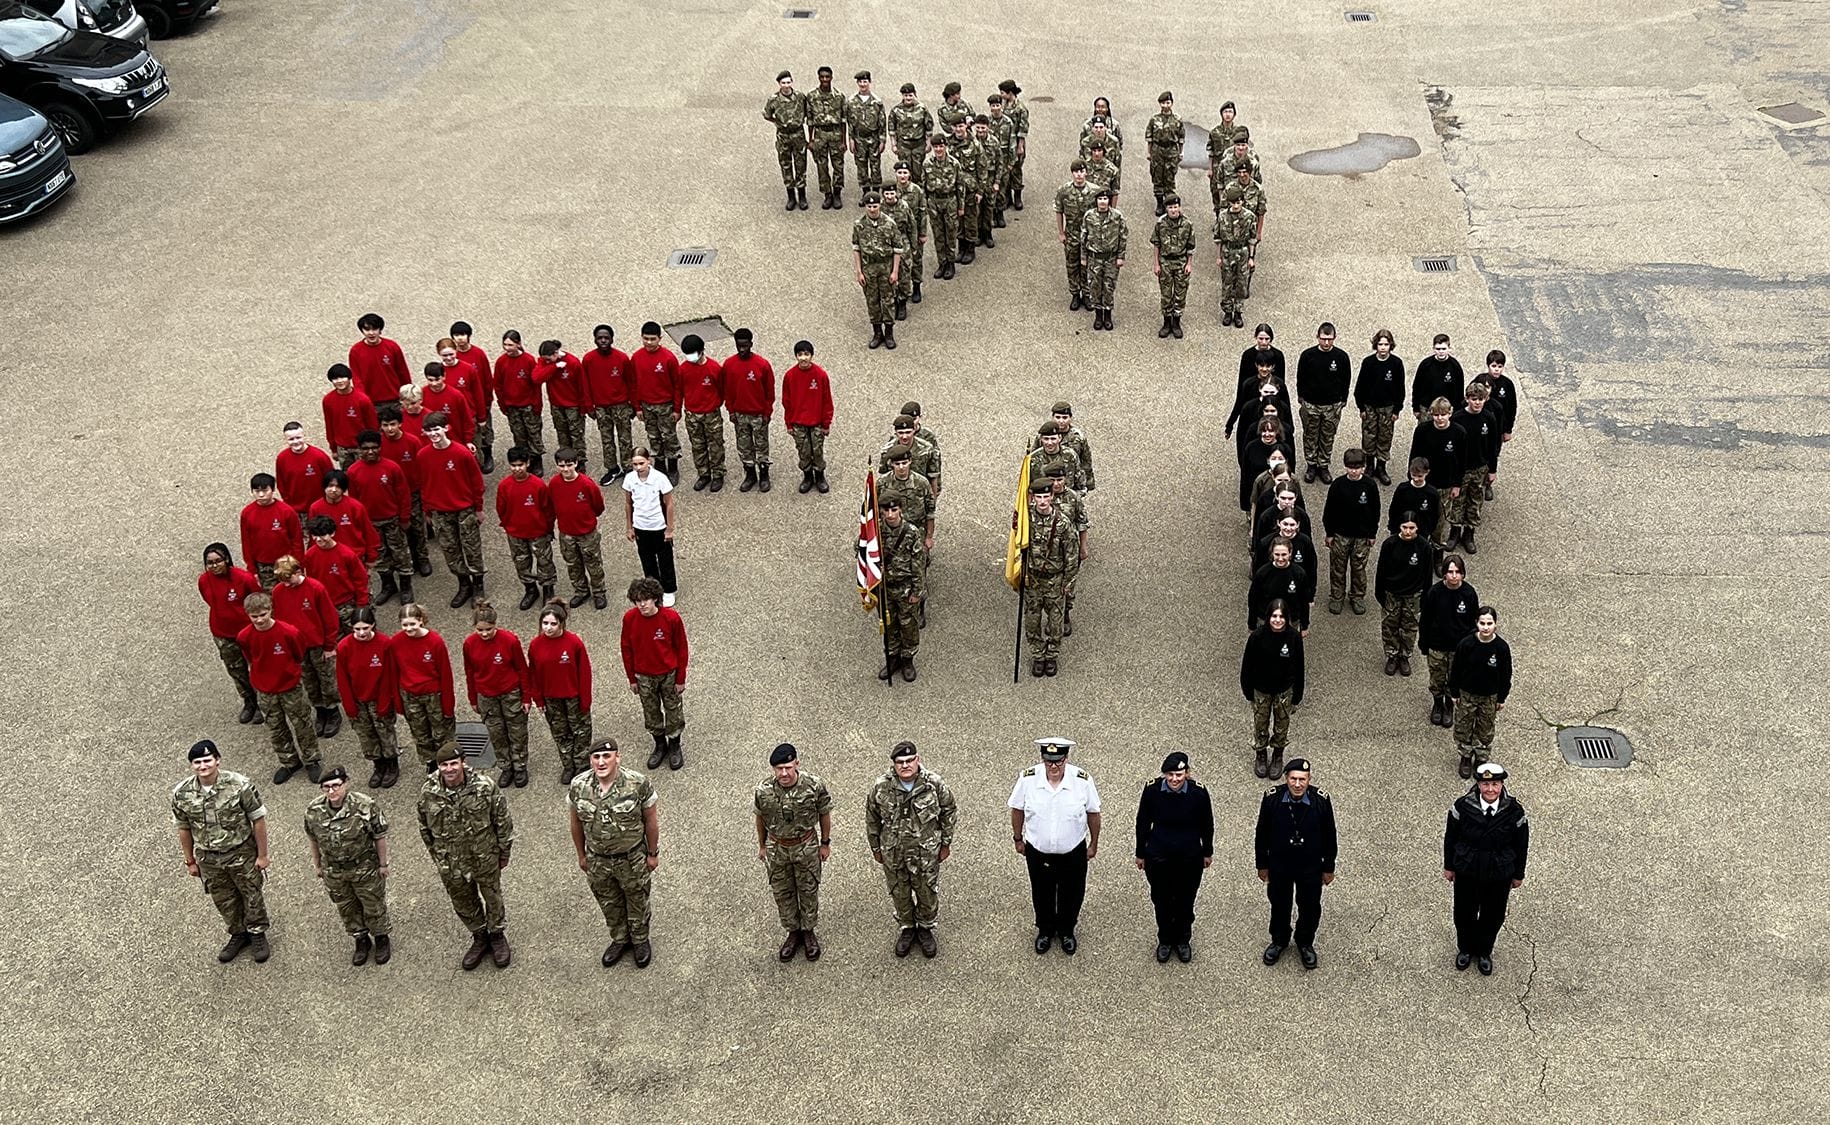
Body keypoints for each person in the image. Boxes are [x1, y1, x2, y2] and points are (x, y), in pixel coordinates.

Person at [418, 742, 516, 971]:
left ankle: (497, 935)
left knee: (492, 897)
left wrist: (504, 852)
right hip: (450, 861)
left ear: (464, 762)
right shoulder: (429, 792)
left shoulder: (484, 786)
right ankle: (479, 936)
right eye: (444, 765)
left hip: (484, 855)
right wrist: (438, 858)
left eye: (454, 763)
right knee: (463, 901)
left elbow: (502, 820)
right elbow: (425, 828)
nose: (449, 769)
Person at [172, 740, 271, 964]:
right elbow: (184, 828)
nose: (203, 765)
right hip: (209, 857)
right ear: (191, 766)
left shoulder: (240, 785)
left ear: (217, 760)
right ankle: (238, 932)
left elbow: (258, 819)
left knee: (251, 892)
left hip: (240, 851)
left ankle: (257, 932)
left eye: (207, 760)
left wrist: (263, 855)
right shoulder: (182, 793)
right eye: (197, 762)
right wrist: (190, 861)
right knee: (223, 898)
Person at [569, 738, 661, 968]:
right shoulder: (579, 786)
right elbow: (575, 823)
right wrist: (581, 855)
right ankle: (620, 939)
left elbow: (651, 821)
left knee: (637, 899)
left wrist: (652, 853)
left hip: (631, 858)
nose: (601, 762)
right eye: (596, 757)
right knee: (609, 902)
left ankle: (640, 940)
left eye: (606, 756)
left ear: (617, 757)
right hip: (598, 860)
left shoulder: (637, 783)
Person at [1009, 737, 1102, 955]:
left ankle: (1067, 930)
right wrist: (1017, 838)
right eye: (1048, 761)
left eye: (1058, 761)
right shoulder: (1027, 779)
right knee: (1042, 892)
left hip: (1073, 851)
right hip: (1038, 851)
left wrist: (1094, 843)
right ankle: (1045, 930)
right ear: (1042, 759)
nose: (1053, 766)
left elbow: (1093, 813)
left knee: (1073, 893)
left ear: (1066, 759)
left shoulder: (1082, 781)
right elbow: (1017, 809)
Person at [865, 741, 957, 959]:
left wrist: (946, 843)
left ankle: (925, 928)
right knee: (900, 892)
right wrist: (875, 848)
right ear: (894, 765)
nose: (905, 765)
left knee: (927, 892)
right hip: (894, 853)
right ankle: (907, 928)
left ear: (918, 760)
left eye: (909, 760)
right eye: (900, 762)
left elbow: (949, 812)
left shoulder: (933, 784)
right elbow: (872, 818)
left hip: (925, 853)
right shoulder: (881, 786)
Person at [1444, 762, 1529, 974]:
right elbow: (1450, 838)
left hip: (1499, 873)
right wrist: (1449, 866)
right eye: (1485, 784)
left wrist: (1518, 874)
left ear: (1502, 785)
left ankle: (1484, 952)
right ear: (1478, 785)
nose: (1490, 789)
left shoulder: (1514, 811)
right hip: (1467, 870)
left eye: (1495, 784)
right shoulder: (1462, 807)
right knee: (1464, 913)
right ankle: (1465, 949)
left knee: (1493, 915)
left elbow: (1522, 844)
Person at [304, 766, 393, 966]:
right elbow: (313, 839)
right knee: (346, 907)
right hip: (334, 870)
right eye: (326, 787)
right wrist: (317, 865)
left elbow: (379, 835)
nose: (331, 791)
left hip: (364, 867)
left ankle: (381, 938)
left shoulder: (365, 805)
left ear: (346, 784)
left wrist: (383, 864)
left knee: (373, 904)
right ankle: (361, 939)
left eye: (336, 785)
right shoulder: (313, 811)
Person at [1253, 757, 1337, 970]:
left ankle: (1305, 942)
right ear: (1286, 779)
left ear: (1309, 780)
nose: (1298, 784)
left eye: (1302, 779)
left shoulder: (1321, 801)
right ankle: (1279, 940)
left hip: (1310, 866)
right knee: (1280, 904)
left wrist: (1328, 867)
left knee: (1309, 906)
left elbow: (1330, 836)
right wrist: (1262, 864)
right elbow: (1262, 833)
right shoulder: (1272, 799)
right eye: (1293, 779)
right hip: (1280, 864)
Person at [754, 742, 834, 961]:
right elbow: (760, 818)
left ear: (797, 764)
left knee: (808, 890)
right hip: (777, 847)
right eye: (779, 769)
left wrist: (825, 843)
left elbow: (824, 814)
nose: (784, 773)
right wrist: (762, 846)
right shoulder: (763, 790)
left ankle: (808, 932)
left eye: (788, 767)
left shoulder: (814, 786)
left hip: (805, 845)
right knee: (782, 892)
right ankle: (792, 933)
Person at [1135, 750, 1213, 963]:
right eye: (1170, 775)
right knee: (1161, 900)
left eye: (1179, 775)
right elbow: (1142, 822)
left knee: (1185, 901)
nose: (1174, 779)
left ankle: (1183, 940)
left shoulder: (1198, 793)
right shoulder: (1152, 791)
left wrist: (1207, 851)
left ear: (1187, 773)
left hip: (1189, 857)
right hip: (1158, 856)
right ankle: (1165, 940)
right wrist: (1140, 853)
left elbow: (1207, 824)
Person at [238, 591, 322, 783]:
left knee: (302, 724)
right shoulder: (244, 636)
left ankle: (311, 760)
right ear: (248, 615)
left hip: (290, 687)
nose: (259, 620)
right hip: (265, 690)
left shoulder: (289, 632)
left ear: (270, 611)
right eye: (254, 616)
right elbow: (250, 658)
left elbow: (299, 654)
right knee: (276, 728)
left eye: (263, 615)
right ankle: (290, 762)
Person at [419, 412, 487, 608]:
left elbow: (476, 483)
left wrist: (479, 509)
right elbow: (424, 484)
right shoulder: (423, 455)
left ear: (446, 428)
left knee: (471, 548)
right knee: (450, 550)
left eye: (437, 429)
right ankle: (463, 584)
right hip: (439, 512)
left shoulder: (462, 453)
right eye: (429, 431)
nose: (434, 434)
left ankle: (478, 586)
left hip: (464, 510)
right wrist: (427, 511)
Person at [621, 577, 689, 772]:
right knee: (651, 712)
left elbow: (681, 648)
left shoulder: (671, 618)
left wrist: (680, 677)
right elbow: (626, 648)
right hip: (644, 675)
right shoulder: (629, 619)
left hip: (668, 673)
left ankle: (675, 745)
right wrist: (632, 678)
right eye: (637, 600)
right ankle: (660, 745)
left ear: (656, 599)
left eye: (646, 599)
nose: (642, 604)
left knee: (673, 710)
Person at [464, 601, 532, 788]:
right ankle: (506, 766)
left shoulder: (510, 640)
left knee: (517, 731)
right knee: (496, 734)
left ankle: (520, 766)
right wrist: (473, 698)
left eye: (489, 629)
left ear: (496, 624)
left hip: (511, 694)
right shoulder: (469, 644)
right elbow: (469, 672)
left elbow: (522, 670)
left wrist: (526, 697)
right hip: (486, 696)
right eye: (480, 630)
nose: (485, 633)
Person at [526, 599, 592, 784]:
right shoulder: (535, 645)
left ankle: (582, 766)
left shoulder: (574, 643)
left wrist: (585, 700)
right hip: (551, 699)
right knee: (560, 733)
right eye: (545, 623)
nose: (548, 628)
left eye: (553, 624)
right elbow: (533, 673)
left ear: (562, 623)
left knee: (580, 732)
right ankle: (568, 765)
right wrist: (537, 699)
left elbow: (585, 673)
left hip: (573, 697)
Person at [336, 606, 401, 789]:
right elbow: (342, 678)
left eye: (365, 628)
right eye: (357, 629)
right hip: (358, 700)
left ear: (373, 625)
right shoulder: (344, 647)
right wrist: (349, 705)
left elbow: (389, 675)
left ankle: (392, 765)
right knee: (366, 735)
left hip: (379, 699)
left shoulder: (384, 643)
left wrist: (385, 702)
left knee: (385, 733)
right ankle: (378, 765)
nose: (362, 632)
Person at [347, 431, 414, 605]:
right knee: (380, 556)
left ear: (380, 447)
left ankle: (406, 587)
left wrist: (405, 518)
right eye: (365, 448)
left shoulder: (392, 467)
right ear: (359, 450)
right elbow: (353, 501)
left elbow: (403, 494)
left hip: (393, 520)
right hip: (371, 524)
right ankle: (388, 585)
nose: (370, 452)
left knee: (400, 554)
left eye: (374, 447)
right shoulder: (353, 471)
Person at [388, 602, 455, 772]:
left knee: (441, 733)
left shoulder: (435, 642)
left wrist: (448, 705)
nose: (409, 628)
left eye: (412, 624)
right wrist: (398, 702)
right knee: (420, 734)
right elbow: (393, 673)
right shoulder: (395, 642)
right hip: (410, 695)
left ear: (421, 621)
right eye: (405, 625)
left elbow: (446, 675)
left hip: (434, 696)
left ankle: (446, 762)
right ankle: (430, 764)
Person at [1241, 600, 1305, 778]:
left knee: (1281, 725)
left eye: (1281, 616)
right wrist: (1248, 691)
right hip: (1261, 690)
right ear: (1268, 617)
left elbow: (1299, 667)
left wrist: (1297, 696)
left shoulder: (1293, 638)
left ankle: (1277, 754)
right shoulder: (1257, 637)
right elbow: (1247, 665)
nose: (1277, 620)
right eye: (1274, 616)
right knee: (1260, 724)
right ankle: (1261, 754)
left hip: (1284, 692)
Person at [200, 543, 263, 724]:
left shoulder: (244, 578)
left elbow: (258, 601)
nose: (214, 566)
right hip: (222, 633)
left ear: (227, 559)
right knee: (236, 671)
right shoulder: (204, 581)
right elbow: (209, 600)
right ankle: (249, 702)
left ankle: (262, 702)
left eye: (218, 561)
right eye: (210, 563)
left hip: (247, 633)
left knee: (256, 667)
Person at [1023, 480, 1080, 677]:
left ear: (1052, 497)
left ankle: (1052, 655)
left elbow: (1071, 555)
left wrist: (1068, 583)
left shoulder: (1063, 523)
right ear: (1033, 498)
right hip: (1033, 580)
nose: (1042, 501)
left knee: (1055, 624)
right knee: (1032, 620)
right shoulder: (1026, 519)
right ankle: (1038, 656)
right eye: (1038, 497)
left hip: (1055, 580)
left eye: (1045, 497)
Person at [1450, 606, 1513, 778]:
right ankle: (1465, 756)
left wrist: (1502, 697)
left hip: (1489, 696)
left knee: (1485, 728)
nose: (1486, 627)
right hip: (1467, 693)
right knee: (1464, 725)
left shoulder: (1501, 648)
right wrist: (1454, 692)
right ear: (1476, 623)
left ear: (1495, 625)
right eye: (1482, 623)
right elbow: (1455, 669)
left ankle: (1481, 758)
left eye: (1489, 623)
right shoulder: (1466, 644)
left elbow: (1506, 673)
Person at [1420, 554, 1480, 729]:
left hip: (1459, 649)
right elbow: (1426, 620)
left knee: (1454, 679)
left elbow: (1473, 623)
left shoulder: (1469, 594)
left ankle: (1448, 706)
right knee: (1437, 679)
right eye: (1450, 572)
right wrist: (1424, 644)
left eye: (1457, 572)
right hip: (1437, 646)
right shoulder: (1435, 592)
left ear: (1462, 574)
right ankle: (1437, 704)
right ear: (1444, 574)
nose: (1454, 576)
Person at [494, 446, 556, 612]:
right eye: (513, 465)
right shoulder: (504, 486)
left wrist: (548, 529)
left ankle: (548, 590)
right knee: (521, 563)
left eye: (520, 465)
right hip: (516, 533)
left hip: (538, 532)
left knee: (545, 562)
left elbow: (548, 510)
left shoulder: (538, 485)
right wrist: (509, 526)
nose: (517, 469)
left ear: (528, 463)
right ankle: (530, 589)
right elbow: (501, 509)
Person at [1375, 514, 1436, 677]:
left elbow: (1428, 574)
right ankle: (1392, 655)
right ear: (1399, 527)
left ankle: (1404, 656)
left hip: (1413, 595)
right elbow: (1381, 571)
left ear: (1417, 528)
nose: (1408, 532)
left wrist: (1425, 599)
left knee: (1410, 627)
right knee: (1390, 625)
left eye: (1412, 528)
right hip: (1392, 593)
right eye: (1405, 527)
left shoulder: (1424, 547)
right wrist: (1380, 594)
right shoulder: (1390, 544)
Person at [1322, 447, 1381, 615]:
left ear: (1363, 467)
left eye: (1357, 467)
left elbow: (1375, 511)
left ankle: (1357, 596)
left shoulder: (1369, 486)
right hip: (1341, 535)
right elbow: (1329, 511)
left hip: (1362, 537)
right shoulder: (1338, 485)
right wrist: (1329, 533)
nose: (1354, 471)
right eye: (1351, 467)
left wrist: (1372, 534)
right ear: (1345, 466)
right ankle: (1337, 596)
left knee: (1359, 568)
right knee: (1337, 568)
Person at [549, 447, 609, 611]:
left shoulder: (586, 484)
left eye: (569, 465)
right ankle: (581, 591)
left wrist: (588, 521)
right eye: (561, 466)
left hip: (587, 534)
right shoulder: (554, 483)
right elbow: (551, 505)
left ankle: (599, 592)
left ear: (576, 463)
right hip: (566, 533)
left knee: (594, 564)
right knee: (573, 565)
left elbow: (598, 506)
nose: (566, 469)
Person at [877, 495, 925, 682]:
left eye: (894, 510)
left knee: (908, 626)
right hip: (884, 589)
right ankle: (892, 658)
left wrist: (917, 592)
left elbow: (918, 564)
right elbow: (859, 546)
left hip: (905, 589)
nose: (890, 514)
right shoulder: (877, 531)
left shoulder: (911, 532)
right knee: (889, 626)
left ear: (900, 510)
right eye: (886, 511)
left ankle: (907, 659)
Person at [1407, 397, 1465, 551]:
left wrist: (1457, 485)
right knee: (1421, 516)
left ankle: (1437, 552)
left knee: (1440, 520)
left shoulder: (1459, 432)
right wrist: (1411, 478)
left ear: (1450, 413)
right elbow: (1414, 455)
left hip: (1446, 484)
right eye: (1436, 415)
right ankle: (1418, 549)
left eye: (1443, 415)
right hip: (1425, 483)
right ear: (1431, 414)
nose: (1440, 418)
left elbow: (1461, 461)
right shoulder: (1422, 430)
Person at [721, 328, 776, 493]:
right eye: (739, 346)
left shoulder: (762, 365)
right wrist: (730, 410)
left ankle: (764, 474)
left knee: (761, 446)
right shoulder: (729, 365)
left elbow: (769, 392)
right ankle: (750, 474)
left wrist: (767, 413)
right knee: (744, 446)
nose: (742, 349)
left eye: (745, 345)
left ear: (751, 344)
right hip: (740, 414)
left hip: (758, 414)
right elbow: (727, 390)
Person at [1449, 382, 1500, 553]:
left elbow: (1493, 446)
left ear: (1486, 399)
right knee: (1457, 500)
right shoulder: (1457, 418)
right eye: (1473, 399)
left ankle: (1469, 533)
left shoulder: (1489, 418)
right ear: (1467, 399)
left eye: (1480, 399)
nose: (1477, 403)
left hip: (1480, 468)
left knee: (1475, 500)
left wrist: (1492, 470)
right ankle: (1455, 532)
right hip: (1461, 468)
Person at [1295, 323, 1350, 481]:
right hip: (1311, 403)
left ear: (1335, 338)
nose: (1326, 343)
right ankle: (1311, 465)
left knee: (1327, 436)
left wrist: (1343, 399)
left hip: (1332, 405)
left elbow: (1346, 379)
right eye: (1323, 339)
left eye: (1330, 339)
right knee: (1310, 435)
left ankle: (1323, 465)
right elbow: (1301, 377)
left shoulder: (1341, 357)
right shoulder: (1308, 355)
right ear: (1317, 337)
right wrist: (1301, 397)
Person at [581, 324, 635, 485]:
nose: (603, 340)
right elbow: (585, 384)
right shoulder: (588, 359)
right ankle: (612, 468)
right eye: (600, 338)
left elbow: (631, 382)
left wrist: (633, 405)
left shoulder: (622, 358)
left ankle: (628, 468)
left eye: (606, 337)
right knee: (607, 439)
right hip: (601, 407)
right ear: (595, 339)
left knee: (625, 439)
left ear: (612, 339)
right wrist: (589, 406)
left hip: (621, 405)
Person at [623, 449, 678, 605]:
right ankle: (653, 590)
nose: (638, 467)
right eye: (635, 464)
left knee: (665, 559)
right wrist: (630, 527)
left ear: (649, 461)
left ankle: (668, 589)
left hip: (658, 525)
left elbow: (669, 504)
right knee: (647, 560)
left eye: (641, 463)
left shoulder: (660, 479)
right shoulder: (629, 479)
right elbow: (628, 503)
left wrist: (669, 528)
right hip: (640, 525)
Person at [854, 194, 908, 350]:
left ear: (880, 206)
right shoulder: (859, 225)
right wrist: (859, 272)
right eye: (869, 206)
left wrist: (895, 271)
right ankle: (877, 333)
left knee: (888, 301)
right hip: (869, 268)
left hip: (886, 267)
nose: (872, 209)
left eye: (875, 206)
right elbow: (856, 249)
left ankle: (889, 333)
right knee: (872, 301)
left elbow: (898, 249)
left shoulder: (889, 224)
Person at [302, 515, 372, 635]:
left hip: (347, 604)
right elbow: (311, 581)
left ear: (332, 533)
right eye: (315, 536)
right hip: (326, 605)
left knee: (356, 636)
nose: (318, 539)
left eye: (323, 535)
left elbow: (360, 580)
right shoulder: (310, 555)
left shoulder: (347, 554)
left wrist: (361, 604)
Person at [631, 323, 684, 479]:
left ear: (659, 339)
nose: (648, 342)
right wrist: (637, 407)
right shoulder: (636, 357)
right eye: (645, 338)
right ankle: (660, 466)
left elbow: (677, 386)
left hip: (665, 406)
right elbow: (633, 384)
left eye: (652, 339)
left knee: (669, 437)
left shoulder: (669, 358)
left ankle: (673, 468)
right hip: (647, 406)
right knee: (653, 436)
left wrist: (676, 409)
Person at [1355, 329, 1406, 485]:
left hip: (1388, 408)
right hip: (1370, 407)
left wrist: (1397, 410)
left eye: (1386, 344)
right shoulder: (1368, 362)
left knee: (1385, 437)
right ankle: (1370, 466)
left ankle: (1381, 467)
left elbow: (1400, 389)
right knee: (1369, 437)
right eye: (1380, 344)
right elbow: (1360, 387)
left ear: (1391, 345)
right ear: (1375, 345)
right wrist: (1361, 408)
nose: (1383, 348)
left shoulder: (1396, 364)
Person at [783, 341, 834, 494]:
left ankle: (819, 476)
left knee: (817, 451)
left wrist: (826, 423)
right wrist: (789, 424)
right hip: (798, 423)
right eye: (800, 355)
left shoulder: (821, 375)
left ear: (812, 355)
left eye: (806, 354)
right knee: (803, 451)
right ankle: (807, 477)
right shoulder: (790, 376)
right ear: (795, 356)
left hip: (817, 422)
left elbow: (827, 401)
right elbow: (787, 402)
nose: (803, 358)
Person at [678, 334, 728, 490]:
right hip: (692, 414)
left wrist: (715, 405)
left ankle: (718, 474)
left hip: (711, 414)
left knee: (716, 445)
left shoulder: (714, 368)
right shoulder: (683, 369)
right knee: (698, 446)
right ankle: (703, 474)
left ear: (701, 351)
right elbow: (679, 390)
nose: (690, 357)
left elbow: (722, 389)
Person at [494, 330, 545, 473]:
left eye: (510, 345)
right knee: (519, 435)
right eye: (505, 345)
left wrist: (537, 405)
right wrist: (502, 403)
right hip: (512, 406)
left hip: (528, 405)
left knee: (534, 434)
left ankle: (536, 460)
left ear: (518, 344)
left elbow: (536, 384)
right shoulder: (501, 362)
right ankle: (524, 461)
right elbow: (497, 385)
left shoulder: (528, 360)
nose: (507, 348)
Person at [240, 473, 302, 590]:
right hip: (263, 566)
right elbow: (246, 543)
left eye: (265, 490)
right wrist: (252, 569)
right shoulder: (247, 513)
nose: (261, 494)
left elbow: (297, 540)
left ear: (272, 489)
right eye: (257, 491)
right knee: (270, 599)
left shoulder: (286, 511)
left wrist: (297, 566)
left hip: (286, 563)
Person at [533, 340, 590, 466]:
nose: (546, 361)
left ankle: (580, 463)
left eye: (549, 359)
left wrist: (583, 407)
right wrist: (553, 367)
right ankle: (566, 461)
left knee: (577, 436)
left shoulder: (573, 362)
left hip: (573, 406)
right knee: (562, 434)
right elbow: (536, 378)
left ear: (555, 353)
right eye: (545, 360)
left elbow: (582, 386)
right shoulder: (546, 363)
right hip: (557, 406)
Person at [449, 321, 495, 472]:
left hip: (479, 401)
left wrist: (488, 400)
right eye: (457, 335)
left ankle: (487, 455)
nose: (460, 338)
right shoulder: (451, 357)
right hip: (462, 405)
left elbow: (487, 379)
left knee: (484, 431)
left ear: (469, 336)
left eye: (463, 335)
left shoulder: (478, 354)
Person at [1473, 349, 1519, 500]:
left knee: (1493, 454)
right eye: (1493, 366)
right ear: (1488, 366)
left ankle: (1487, 484)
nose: (1496, 369)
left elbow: (1512, 408)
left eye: (1499, 366)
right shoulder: (1480, 381)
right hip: (1479, 427)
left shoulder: (1508, 385)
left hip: (1498, 429)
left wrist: (1508, 430)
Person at [763, 69, 811, 210]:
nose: (786, 85)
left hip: (798, 135)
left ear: (792, 82)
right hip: (783, 136)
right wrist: (778, 122)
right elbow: (767, 115)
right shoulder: (773, 99)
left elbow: (807, 113)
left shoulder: (800, 97)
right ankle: (791, 197)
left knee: (801, 164)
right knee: (786, 164)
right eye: (783, 83)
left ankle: (802, 196)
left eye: (788, 82)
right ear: (779, 84)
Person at [1079, 188, 1127, 331]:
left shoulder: (1117, 216)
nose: (1102, 202)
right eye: (1100, 199)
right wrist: (1083, 256)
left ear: (1109, 201)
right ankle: (1098, 315)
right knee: (1094, 287)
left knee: (1109, 287)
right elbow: (1084, 237)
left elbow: (1123, 237)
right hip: (1094, 259)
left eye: (1105, 199)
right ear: (1096, 201)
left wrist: (1120, 256)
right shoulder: (1089, 216)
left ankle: (1108, 315)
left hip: (1110, 259)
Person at [1150, 194, 1196, 338]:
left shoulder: (1187, 224)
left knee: (1180, 293)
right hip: (1165, 261)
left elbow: (1191, 246)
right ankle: (1166, 322)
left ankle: (1176, 322)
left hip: (1181, 261)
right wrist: (1156, 263)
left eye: (1175, 207)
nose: (1173, 210)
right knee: (1166, 294)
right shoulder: (1160, 223)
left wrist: (1189, 264)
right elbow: (1156, 244)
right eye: (1170, 207)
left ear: (1179, 207)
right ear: (1166, 209)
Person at [921, 134, 964, 280]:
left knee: (950, 233)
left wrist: (961, 206)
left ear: (946, 146)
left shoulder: (954, 163)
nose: (938, 149)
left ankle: (951, 263)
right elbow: (923, 185)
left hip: (950, 201)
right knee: (938, 235)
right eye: (936, 147)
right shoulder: (927, 164)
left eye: (941, 146)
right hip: (934, 202)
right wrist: (925, 204)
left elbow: (960, 185)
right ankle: (942, 263)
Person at [1214, 184, 1256, 328]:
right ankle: (1227, 311)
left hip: (1242, 252)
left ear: (1242, 201)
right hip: (1227, 251)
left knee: (1241, 283)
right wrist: (1218, 256)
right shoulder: (1223, 216)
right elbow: (1218, 238)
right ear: (1229, 203)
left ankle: (1238, 313)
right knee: (1227, 282)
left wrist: (1251, 257)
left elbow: (1252, 239)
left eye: (1238, 202)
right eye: (1233, 202)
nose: (1236, 205)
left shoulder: (1249, 216)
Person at [1248, 540, 1312, 634]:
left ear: (1290, 553)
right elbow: (1253, 600)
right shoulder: (1262, 573)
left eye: (1284, 554)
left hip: (1291, 620)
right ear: (1272, 554)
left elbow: (1304, 602)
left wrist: (1304, 625)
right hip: (1265, 620)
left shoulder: (1299, 574)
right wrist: (1252, 624)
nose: (1280, 558)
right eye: (1277, 554)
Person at [806, 65, 848, 208]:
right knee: (821, 166)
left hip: (835, 134)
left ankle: (837, 193)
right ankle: (827, 194)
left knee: (838, 165)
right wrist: (810, 139)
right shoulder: (811, 96)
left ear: (831, 77)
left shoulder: (839, 96)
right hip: (820, 134)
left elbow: (843, 121)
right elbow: (810, 120)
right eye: (822, 77)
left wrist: (844, 141)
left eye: (827, 77)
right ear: (818, 77)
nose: (825, 79)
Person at [322, 363, 377, 469]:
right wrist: (333, 449)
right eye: (335, 379)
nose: (339, 381)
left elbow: (372, 425)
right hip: (342, 448)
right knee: (346, 479)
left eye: (342, 377)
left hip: (361, 447)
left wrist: (372, 447)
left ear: (349, 378)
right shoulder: (328, 400)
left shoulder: (362, 399)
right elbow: (329, 425)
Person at [276, 421, 336, 519]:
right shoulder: (282, 459)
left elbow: (332, 481)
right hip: (296, 511)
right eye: (291, 439)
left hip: (320, 510)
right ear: (285, 440)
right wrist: (290, 505)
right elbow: (281, 484)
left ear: (304, 436)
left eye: (298, 437)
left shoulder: (319, 456)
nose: (295, 441)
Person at [349, 313, 408, 408]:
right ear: (362, 331)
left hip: (395, 401)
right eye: (367, 329)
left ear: (380, 330)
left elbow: (403, 372)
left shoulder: (392, 347)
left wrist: (407, 395)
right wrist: (362, 400)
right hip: (371, 403)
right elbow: (357, 379)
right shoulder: (356, 351)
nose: (371, 333)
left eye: (374, 329)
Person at [421, 350, 477, 447]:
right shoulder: (422, 394)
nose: (434, 384)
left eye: (437, 379)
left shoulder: (456, 395)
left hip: (456, 442)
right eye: (430, 380)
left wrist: (468, 440)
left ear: (444, 376)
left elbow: (467, 420)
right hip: (432, 444)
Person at [847, 70, 886, 202]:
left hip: (874, 137)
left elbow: (882, 122)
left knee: (875, 166)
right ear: (857, 83)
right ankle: (865, 193)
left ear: (869, 82)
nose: (863, 84)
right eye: (860, 82)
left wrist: (882, 140)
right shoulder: (851, 101)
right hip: (859, 138)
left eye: (865, 81)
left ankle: (875, 193)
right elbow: (850, 122)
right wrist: (851, 139)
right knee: (861, 166)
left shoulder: (877, 101)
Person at [1144, 91, 1184, 215]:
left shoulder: (1177, 119)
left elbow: (1181, 137)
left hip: (1172, 150)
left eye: (1168, 102)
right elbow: (1149, 137)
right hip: (1158, 149)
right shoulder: (1154, 119)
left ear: (1171, 103)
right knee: (1157, 176)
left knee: (1170, 176)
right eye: (1163, 103)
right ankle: (1160, 203)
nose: (1165, 105)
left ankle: (1170, 203)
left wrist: (1181, 152)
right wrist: (1149, 152)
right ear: (1160, 104)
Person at [1411, 333, 1466, 421]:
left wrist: (1458, 410)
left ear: (1449, 348)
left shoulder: (1455, 366)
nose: (1441, 351)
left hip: (1447, 410)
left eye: (1444, 349)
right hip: (1427, 409)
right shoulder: (1425, 365)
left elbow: (1459, 391)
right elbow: (1417, 387)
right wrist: (1416, 407)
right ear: (1433, 349)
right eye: (1438, 349)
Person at [889, 83, 934, 187]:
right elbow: (892, 128)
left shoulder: (922, 108)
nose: (908, 98)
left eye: (910, 95)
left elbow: (928, 126)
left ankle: (918, 191)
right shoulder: (896, 110)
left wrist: (928, 143)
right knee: (905, 170)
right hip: (903, 144)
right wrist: (893, 144)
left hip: (919, 144)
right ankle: (905, 192)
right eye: (905, 95)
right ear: (902, 96)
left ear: (915, 94)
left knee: (918, 171)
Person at [998, 78, 1029, 209]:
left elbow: (1023, 129)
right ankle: (1007, 197)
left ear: (1010, 93)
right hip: (1004, 143)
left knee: (1016, 170)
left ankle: (1017, 196)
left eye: (1003, 92)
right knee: (1005, 170)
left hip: (1015, 143)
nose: (1001, 95)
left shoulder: (1020, 108)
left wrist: (1020, 146)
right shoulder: (1002, 105)